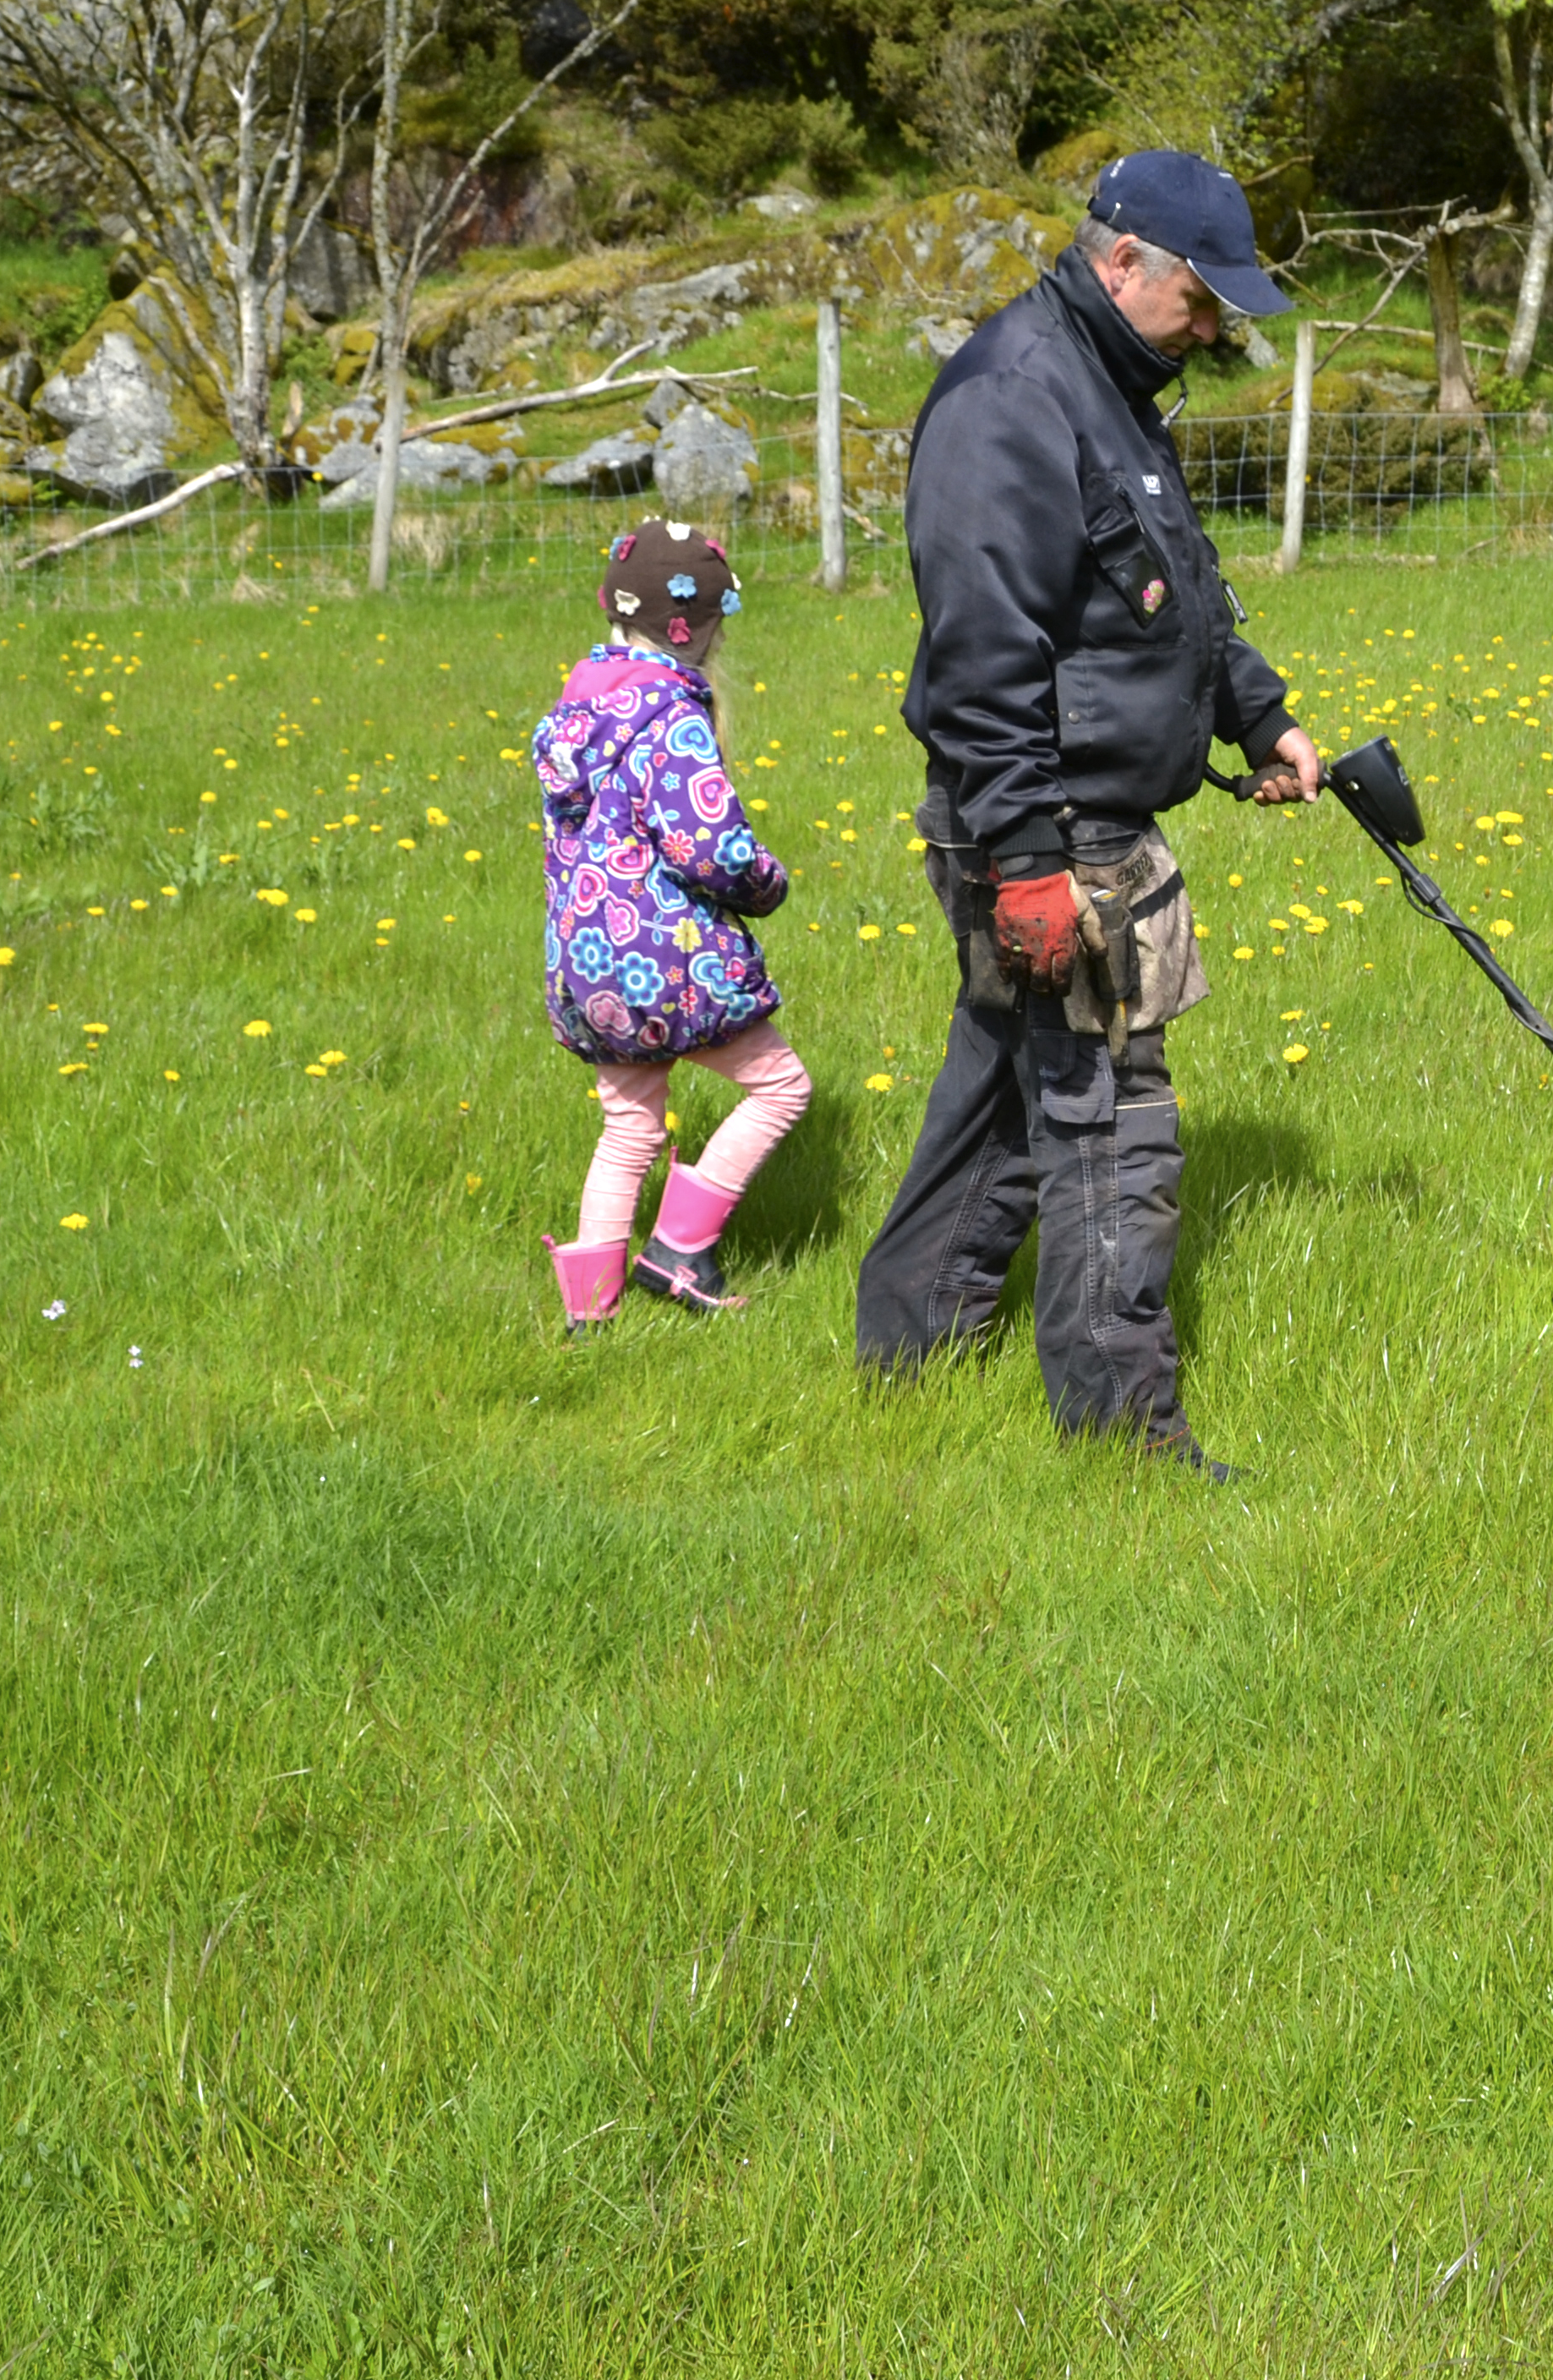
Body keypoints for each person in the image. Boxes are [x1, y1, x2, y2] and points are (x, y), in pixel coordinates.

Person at [856, 149, 1321, 1474]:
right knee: (1115, 1120)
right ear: (1125, 262)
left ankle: (910, 1351)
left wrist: (1259, 713)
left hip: (1077, 812)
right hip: (1050, 822)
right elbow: (983, 651)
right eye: (1205, 298)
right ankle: (1124, 1436)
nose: (1218, 327)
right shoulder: (1012, 400)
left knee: (1011, 1092)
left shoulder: (1116, 387)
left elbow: (1172, 586)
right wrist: (1026, 861)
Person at [536, 517, 817, 1329]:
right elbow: (713, 847)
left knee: (628, 1125)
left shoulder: (574, 712)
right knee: (781, 1089)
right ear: (690, 630)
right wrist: (766, 885)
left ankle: (589, 1314)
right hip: (668, 963)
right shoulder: (671, 716)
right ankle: (677, 1252)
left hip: (585, 967)